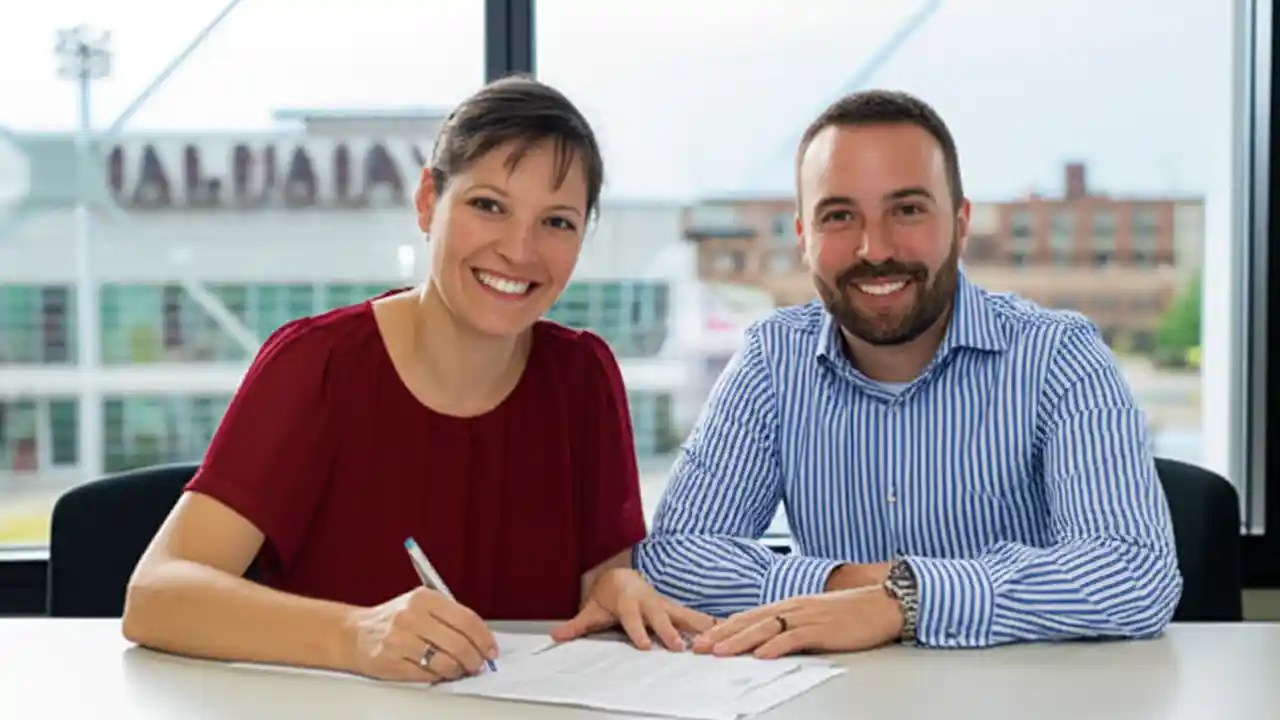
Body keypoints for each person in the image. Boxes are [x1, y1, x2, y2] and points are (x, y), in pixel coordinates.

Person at [122, 76, 711, 683]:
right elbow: (156, 597)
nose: (520, 250)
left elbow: (599, 579)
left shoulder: (583, 377)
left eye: (557, 222)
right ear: (428, 201)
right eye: (489, 205)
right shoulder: (317, 365)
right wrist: (354, 635)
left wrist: (616, 587)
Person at [635, 89, 1183, 658]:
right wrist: (842, 589)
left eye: (908, 210)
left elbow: (1134, 573)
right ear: (804, 238)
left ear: (961, 223)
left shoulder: (1059, 356)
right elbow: (674, 559)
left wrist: (901, 602)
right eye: (840, 215)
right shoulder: (771, 360)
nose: (875, 248)